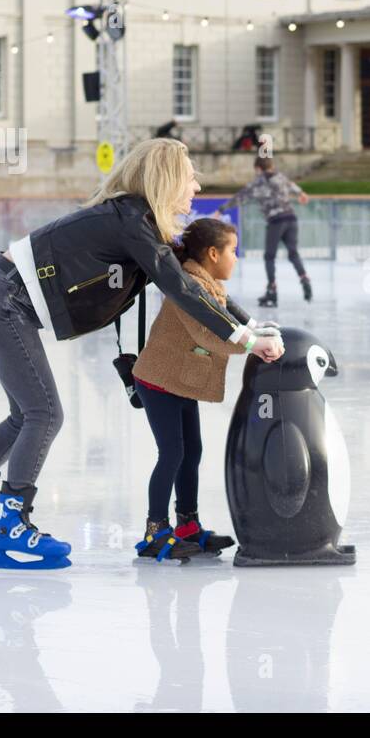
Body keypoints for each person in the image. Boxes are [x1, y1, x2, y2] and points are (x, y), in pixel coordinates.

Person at [0, 138, 285, 569]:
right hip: (2, 299)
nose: (197, 189)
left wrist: (249, 328)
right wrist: (245, 341)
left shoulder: (141, 226)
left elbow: (198, 282)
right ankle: (10, 524)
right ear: (167, 179)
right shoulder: (130, 222)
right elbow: (183, 289)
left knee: (27, 414)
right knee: (44, 414)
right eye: (191, 178)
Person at [131, 218, 280, 562]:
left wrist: (258, 330)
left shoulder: (207, 281)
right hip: (158, 380)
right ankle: (155, 531)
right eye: (233, 251)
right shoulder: (188, 286)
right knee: (172, 453)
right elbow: (208, 333)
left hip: (179, 380)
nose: (237, 258)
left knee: (191, 451)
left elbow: (228, 311)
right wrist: (253, 346)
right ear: (213, 253)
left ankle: (187, 526)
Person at [218, 159, 311, 307]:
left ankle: (272, 291)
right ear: (271, 166)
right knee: (293, 253)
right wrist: (302, 194)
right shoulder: (280, 176)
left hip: (276, 221)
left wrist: (221, 209)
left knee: (269, 257)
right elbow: (293, 187)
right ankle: (304, 278)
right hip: (291, 219)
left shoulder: (258, 182)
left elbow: (240, 197)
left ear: (258, 168)